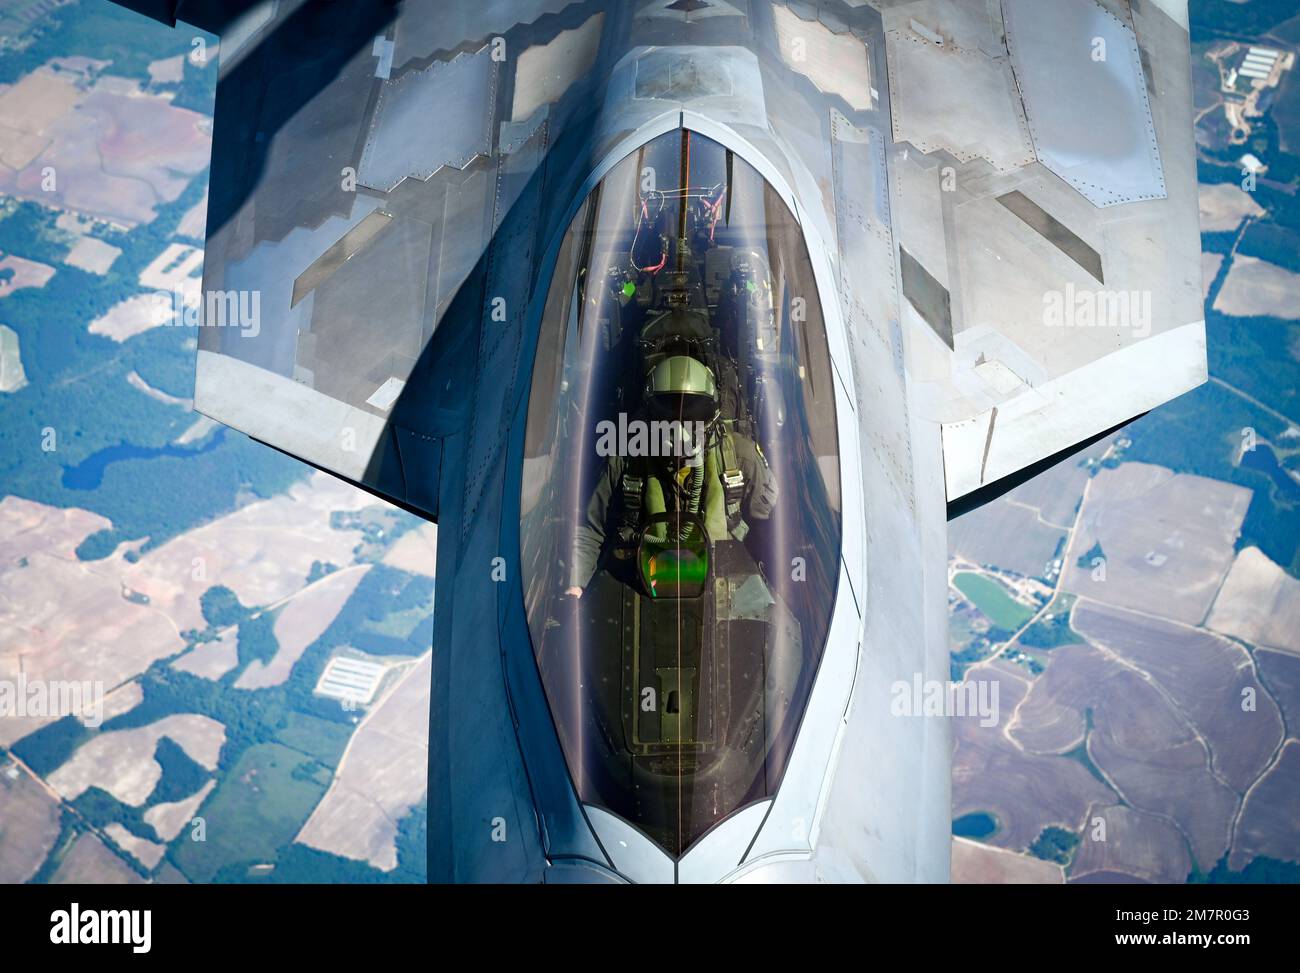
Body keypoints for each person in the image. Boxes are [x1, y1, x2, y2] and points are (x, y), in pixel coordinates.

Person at [566, 353, 778, 597]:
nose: (680, 426)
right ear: (649, 415)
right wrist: (576, 584)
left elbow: (772, 529)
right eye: (668, 410)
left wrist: (781, 587)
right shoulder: (626, 460)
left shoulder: (739, 459)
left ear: (712, 415)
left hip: (723, 592)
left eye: (693, 411)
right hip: (643, 589)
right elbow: (592, 529)